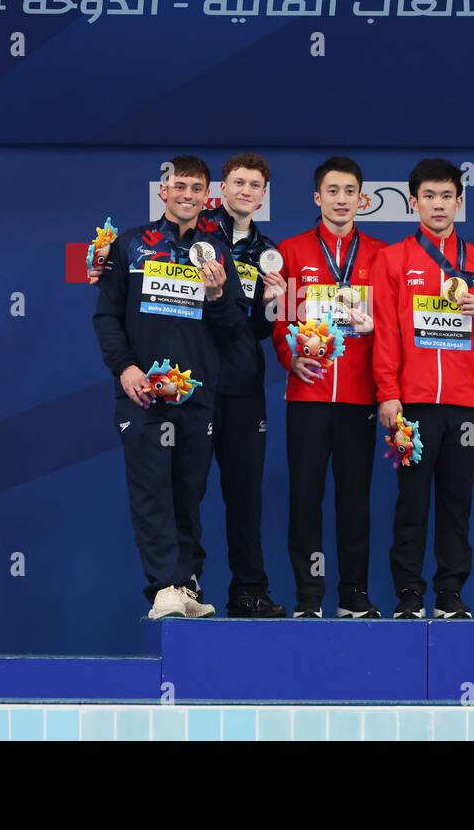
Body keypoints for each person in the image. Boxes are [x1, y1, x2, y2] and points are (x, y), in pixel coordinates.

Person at [92, 155, 247, 620]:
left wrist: (218, 296)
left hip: (195, 396)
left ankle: (184, 583)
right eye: (179, 186)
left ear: (207, 197)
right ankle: (163, 586)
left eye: (196, 188)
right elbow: (106, 316)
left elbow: (236, 326)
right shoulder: (131, 245)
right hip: (141, 394)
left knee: (188, 492)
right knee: (151, 492)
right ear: (163, 191)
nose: (187, 195)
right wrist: (125, 369)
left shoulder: (218, 252)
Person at [371, 158, 474, 619]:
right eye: (429, 196)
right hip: (413, 403)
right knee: (412, 501)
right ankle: (409, 594)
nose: (438, 205)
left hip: (463, 402)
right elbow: (385, 332)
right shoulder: (394, 258)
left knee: (457, 502)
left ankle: (449, 593)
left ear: (459, 202)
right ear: (413, 202)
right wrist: (388, 392)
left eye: (447, 196)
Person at [272, 156, 386, 618]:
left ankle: (354, 594)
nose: (341, 201)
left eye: (350, 192)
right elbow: (281, 318)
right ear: (318, 197)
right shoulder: (292, 251)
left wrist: (374, 326)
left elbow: (392, 329)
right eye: (332, 192)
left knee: (355, 498)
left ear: (363, 200)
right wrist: (289, 356)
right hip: (308, 395)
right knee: (305, 495)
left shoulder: (381, 255)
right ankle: (310, 595)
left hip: (360, 394)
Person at [195, 153, 288, 618]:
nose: (247, 190)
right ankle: (183, 585)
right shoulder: (194, 235)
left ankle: (248, 591)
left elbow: (261, 329)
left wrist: (272, 303)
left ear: (263, 194)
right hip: (191, 379)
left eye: (255, 184)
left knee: (245, 493)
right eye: (238, 182)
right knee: (186, 488)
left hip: (243, 384)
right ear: (223, 188)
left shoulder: (268, 252)